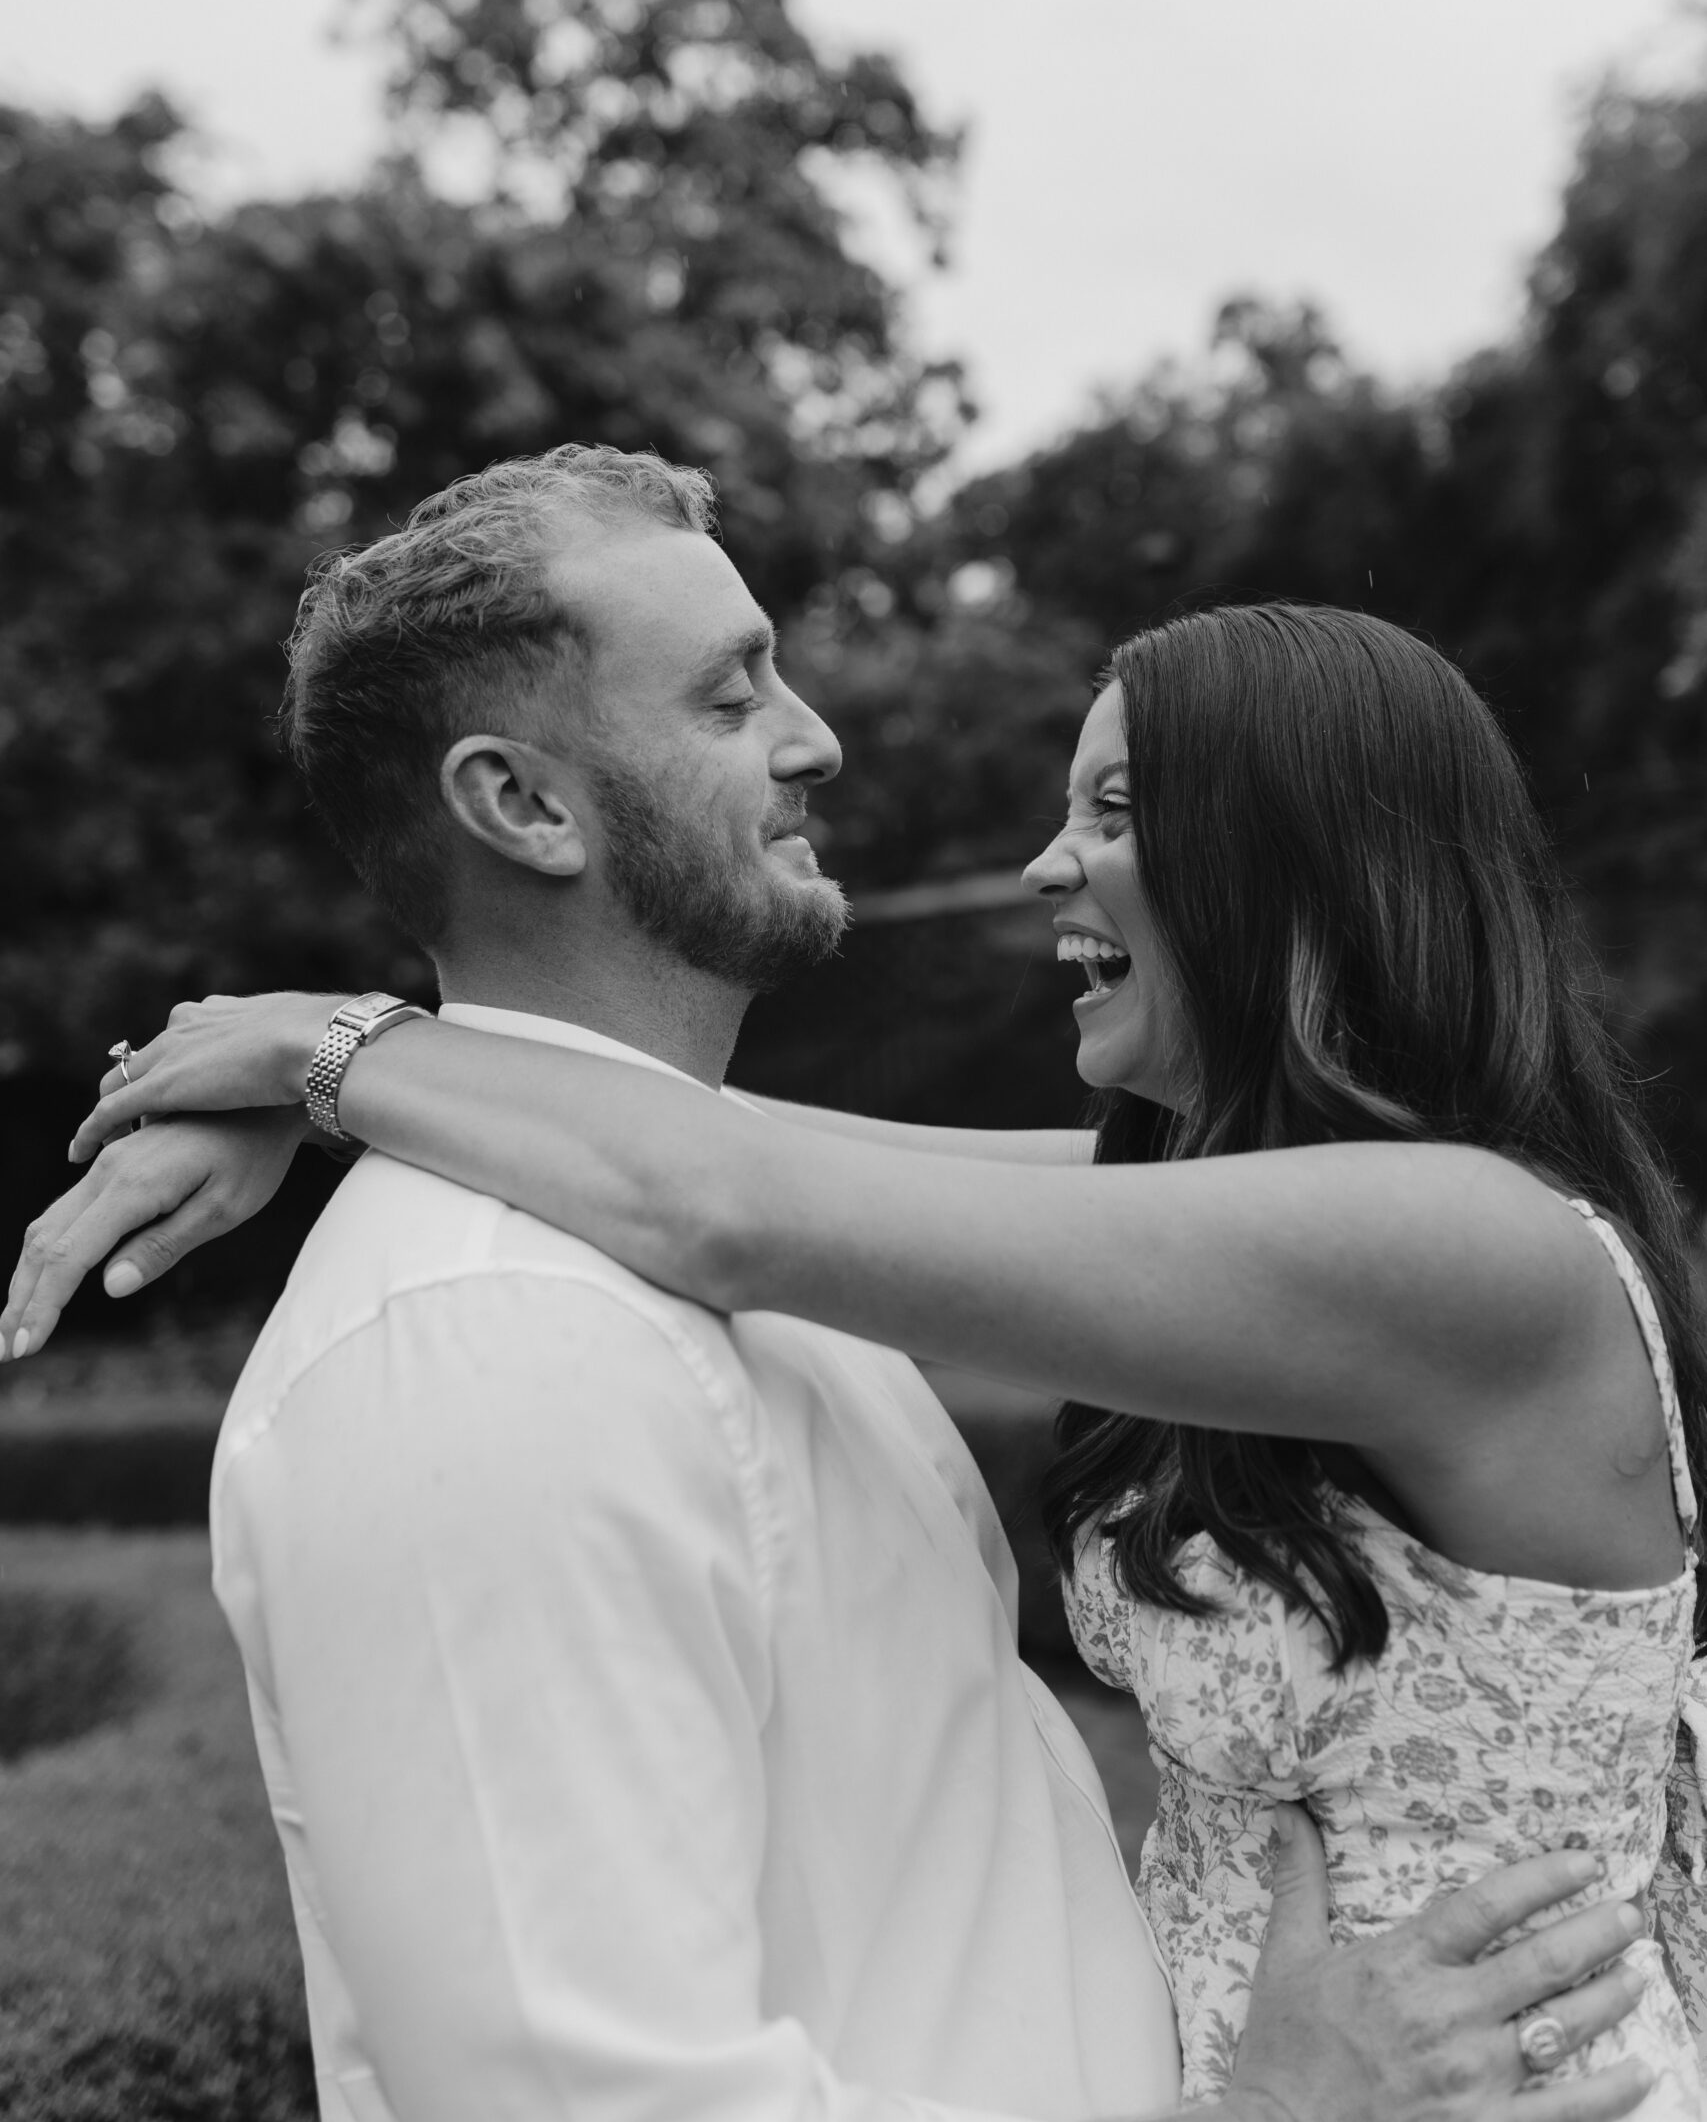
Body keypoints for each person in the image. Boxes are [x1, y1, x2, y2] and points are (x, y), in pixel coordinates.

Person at [9, 447, 1664, 2122]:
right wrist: (347, 1084)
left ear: (1308, 869)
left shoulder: (1472, 1248)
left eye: (1113, 811)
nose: (820, 738)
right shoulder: (490, 1336)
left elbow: (720, 1184)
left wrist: (326, 1048)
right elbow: (724, 1158)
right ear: (519, 805)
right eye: (734, 695)